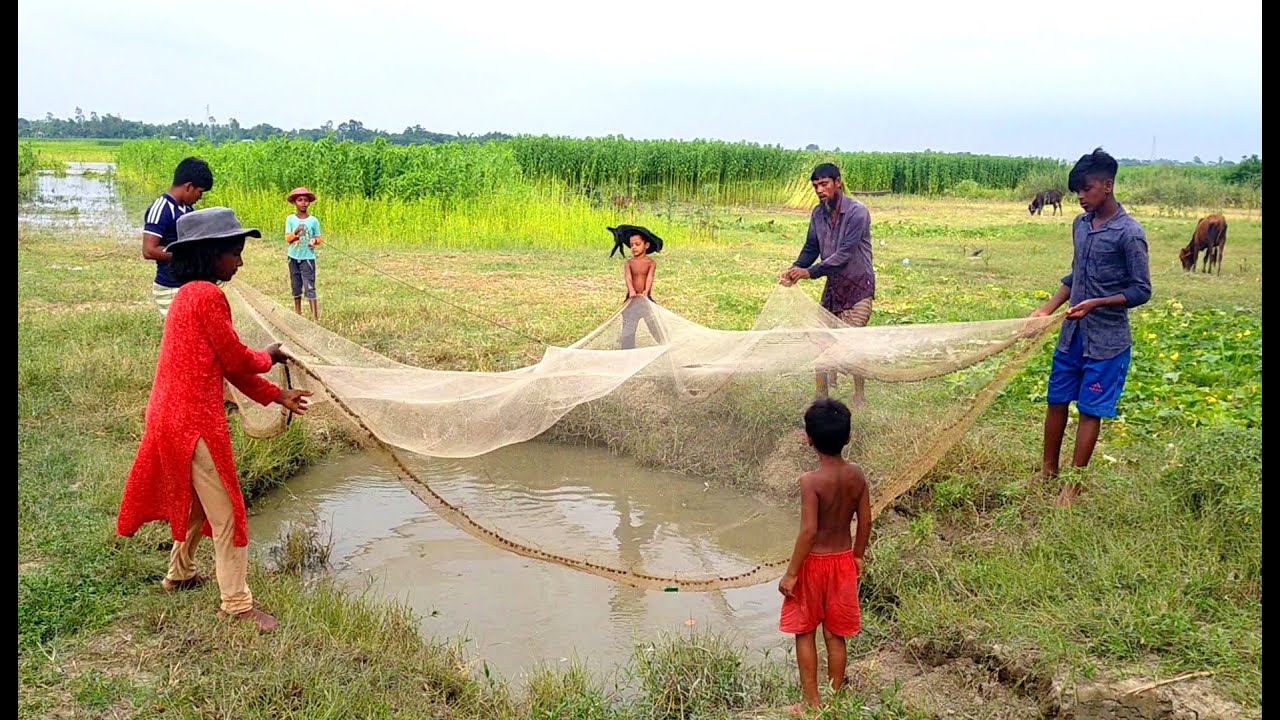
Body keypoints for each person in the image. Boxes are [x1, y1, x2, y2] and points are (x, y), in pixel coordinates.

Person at [116, 207, 313, 633]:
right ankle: (238, 605)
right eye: (234, 253)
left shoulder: (187, 295)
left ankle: (180, 573)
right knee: (227, 512)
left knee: (196, 501)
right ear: (210, 254)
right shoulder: (207, 296)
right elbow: (237, 359)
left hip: (167, 414)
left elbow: (223, 366)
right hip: (192, 420)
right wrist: (269, 358)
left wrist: (276, 393)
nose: (239, 262)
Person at [1030, 148, 1151, 507]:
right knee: (1056, 401)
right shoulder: (1080, 226)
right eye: (1077, 192)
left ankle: (1073, 487)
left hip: (1107, 342)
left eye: (1086, 189)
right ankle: (1047, 474)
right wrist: (1047, 307)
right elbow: (1075, 276)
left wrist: (1097, 304)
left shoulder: (1129, 233)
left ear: (1107, 185)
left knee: (1090, 409)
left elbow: (1141, 290)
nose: (1081, 198)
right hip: (1072, 337)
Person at [778, 398, 871, 711]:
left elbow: (808, 532)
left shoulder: (810, 481)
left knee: (804, 632)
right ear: (848, 438)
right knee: (835, 635)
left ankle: (812, 705)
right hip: (843, 560)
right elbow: (866, 519)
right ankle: (834, 703)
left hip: (813, 565)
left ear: (809, 439)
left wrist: (791, 573)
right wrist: (857, 555)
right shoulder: (856, 474)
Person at [779, 163, 875, 406]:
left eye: (824, 184)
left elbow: (844, 254)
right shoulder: (817, 213)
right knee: (820, 342)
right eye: (815, 186)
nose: (820, 190)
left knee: (851, 343)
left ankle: (859, 396)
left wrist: (809, 272)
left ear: (838, 182)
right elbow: (812, 247)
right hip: (833, 289)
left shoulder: (857, 213)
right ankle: (821, 397)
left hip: (858, 288)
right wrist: (795, 268)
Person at [141, 157, 214, 316]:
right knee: (182, 333)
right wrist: (186, 256)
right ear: (188, 186)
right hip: (169, 287)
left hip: (185, 284)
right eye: (200, 192)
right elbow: (149, 250)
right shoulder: (162, 209)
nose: (200, 197)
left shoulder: (187, 210)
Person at [608, 225, 666, 350]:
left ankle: (665, 346)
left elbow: (649, 278)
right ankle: (627, 352)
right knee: (628, 330)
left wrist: (645, 292)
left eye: (637, 244)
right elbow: (628, 278)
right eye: (631, 245)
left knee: (655, 325)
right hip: (632, 300)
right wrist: (632, 291)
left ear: (646, 245)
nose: (633, 247)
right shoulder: (629, 263)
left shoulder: (651, 263)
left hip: (646, 300)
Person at [285, 187, 323, 320]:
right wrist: (295, 232)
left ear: (309, 203)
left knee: (310, 286)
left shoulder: (313, 221)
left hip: (307, 257)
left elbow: (319, 238)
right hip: (293, 257)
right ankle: (298, 314)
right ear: (294, 203)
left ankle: (315, 317)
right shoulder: (290, 219)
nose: (303, 203)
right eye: (299, 200)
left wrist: (314, 241)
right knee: (296, 285)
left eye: (306, 200)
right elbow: (288, 239)